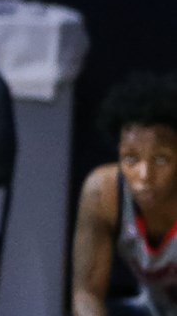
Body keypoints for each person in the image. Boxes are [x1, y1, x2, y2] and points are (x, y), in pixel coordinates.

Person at [72, 71, 177, 316]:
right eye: (131, 158)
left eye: (161, 159)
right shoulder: (104, 193)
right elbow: (85, 294)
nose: (144, 174)